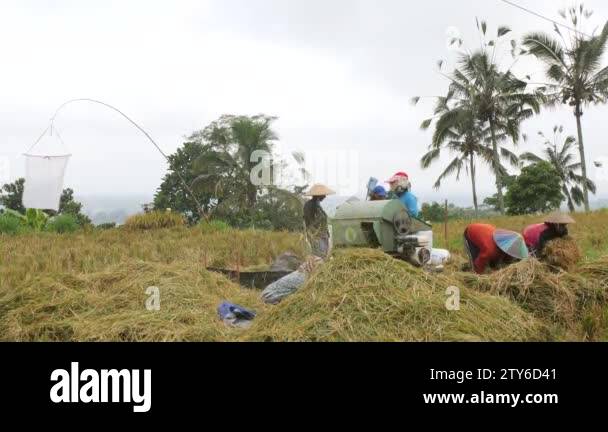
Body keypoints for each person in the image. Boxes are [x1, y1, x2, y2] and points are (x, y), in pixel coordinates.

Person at [464, 223, 529, 274]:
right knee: (475, 260)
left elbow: (506, 259)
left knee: (494, 260)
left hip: (487, 230)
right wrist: (479, 275)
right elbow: (480, 261)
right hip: (472, 231)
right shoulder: (489, 250)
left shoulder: (503, 244)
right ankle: (470, 270)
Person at [303, 184, 335, 258]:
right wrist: (314, 231)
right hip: (316, 235)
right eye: (323, 195)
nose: (325, 196)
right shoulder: (311, 205)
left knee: (323, 255)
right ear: (319, 195)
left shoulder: (317, 204)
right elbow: (309, 221)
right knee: (320, 255)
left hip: (321, 233)